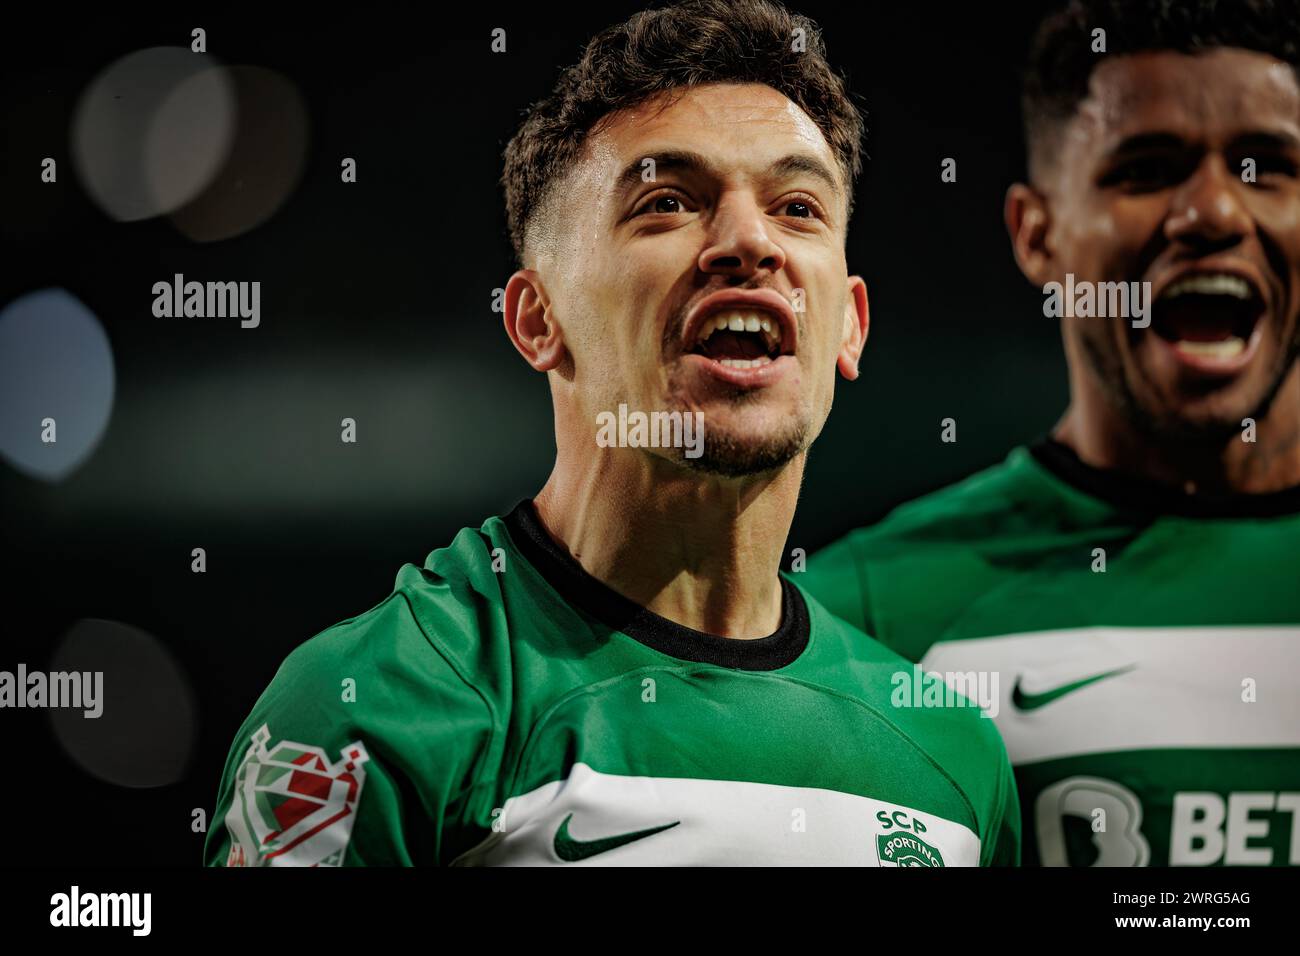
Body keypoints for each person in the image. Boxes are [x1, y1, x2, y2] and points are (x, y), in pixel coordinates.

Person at [202, 0, 1018, 868]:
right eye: (667, 202)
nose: (748, 242)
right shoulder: (371, 708)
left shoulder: (953, 757)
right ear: (537, 319)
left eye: (798, 207)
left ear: (849, 326)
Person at [804, 0, 1300, 866]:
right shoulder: (866, 618)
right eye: (1147, 170)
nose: (1215, 212)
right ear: (1037, 236)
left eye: (1267, 168)